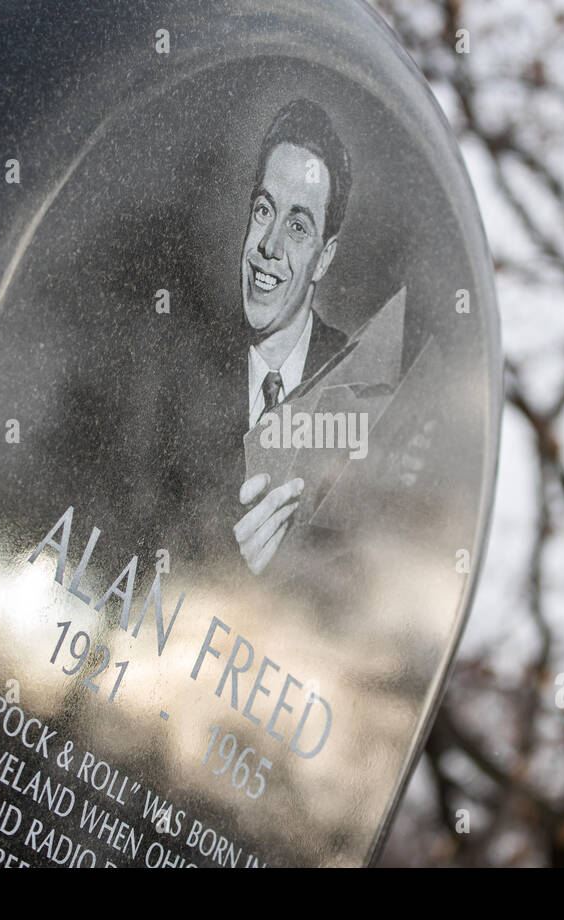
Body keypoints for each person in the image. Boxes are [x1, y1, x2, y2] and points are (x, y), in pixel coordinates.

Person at [231, 99, 353, 576]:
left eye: (298, 226)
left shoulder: (359, 393)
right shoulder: (180, 362)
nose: (269, 246)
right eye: (265, 211)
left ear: (324, 258)